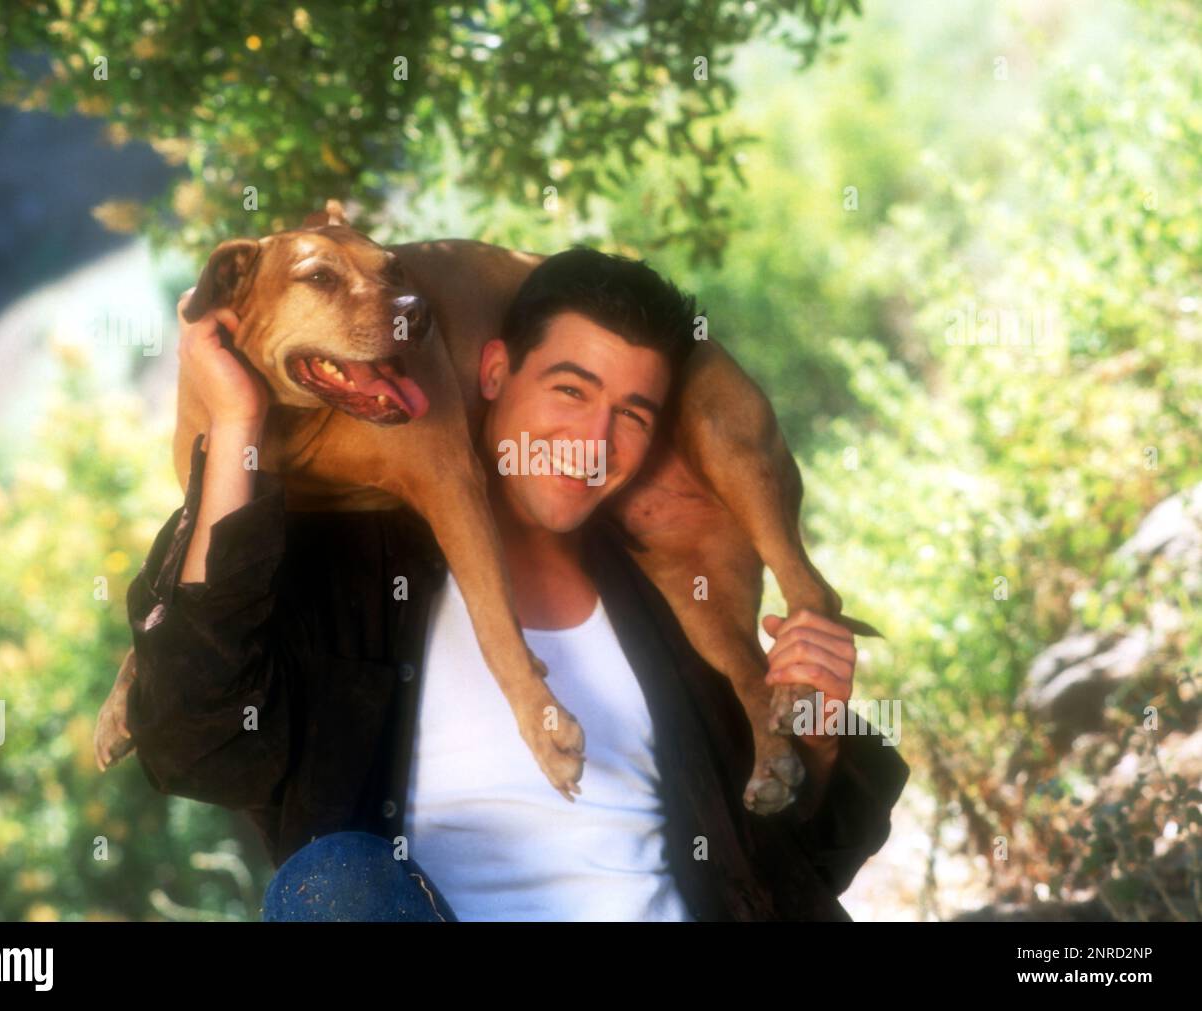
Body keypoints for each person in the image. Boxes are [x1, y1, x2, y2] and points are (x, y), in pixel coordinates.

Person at [123, 247, 909, 922]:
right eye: (569, 390)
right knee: (332, 884)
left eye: (633, 413)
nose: (594, 440)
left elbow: (800, 862)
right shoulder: (352, 573)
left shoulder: (672, 604)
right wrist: (235, 425)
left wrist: (816, 729)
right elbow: (194, 742)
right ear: (494, 370)